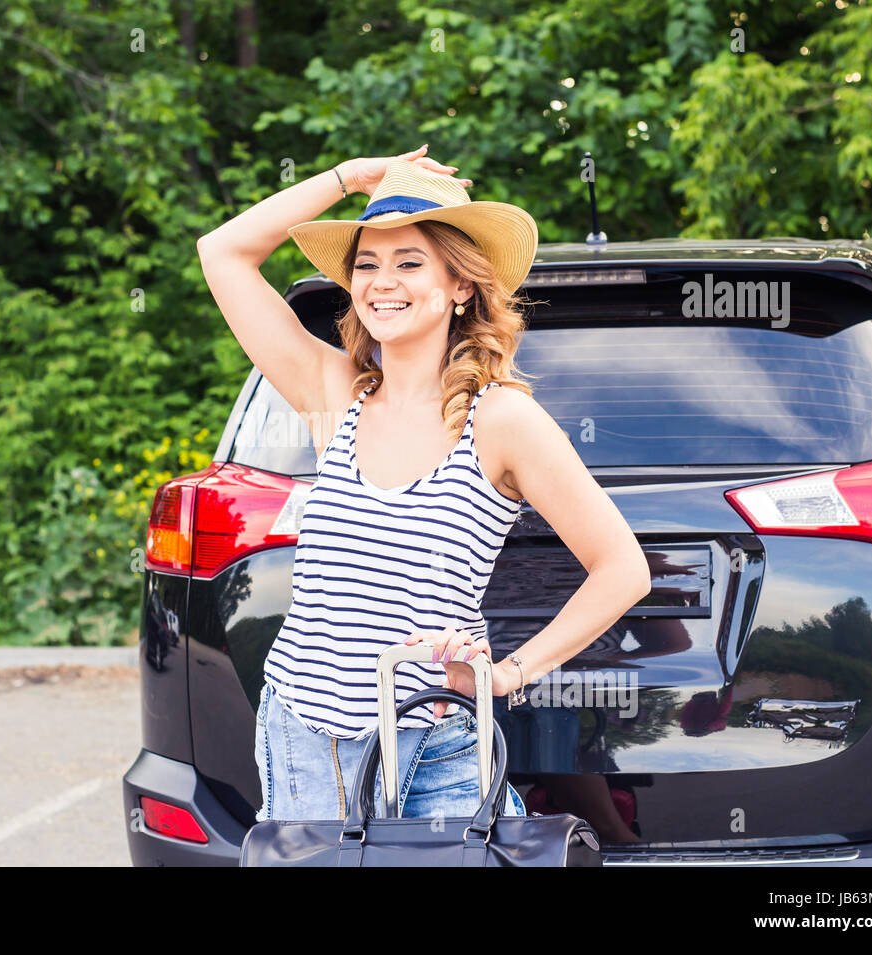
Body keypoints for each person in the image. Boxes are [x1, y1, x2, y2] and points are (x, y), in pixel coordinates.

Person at [196, 144, 652, 825]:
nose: (384, 282)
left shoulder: (501, 419)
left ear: (461, 286)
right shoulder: (334, 395)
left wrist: (508, 677)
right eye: (367, 264)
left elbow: (623, 569)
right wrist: (353, 177)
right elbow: (223, 253)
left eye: (410, 263)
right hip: (305, 742)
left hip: (435, 744)